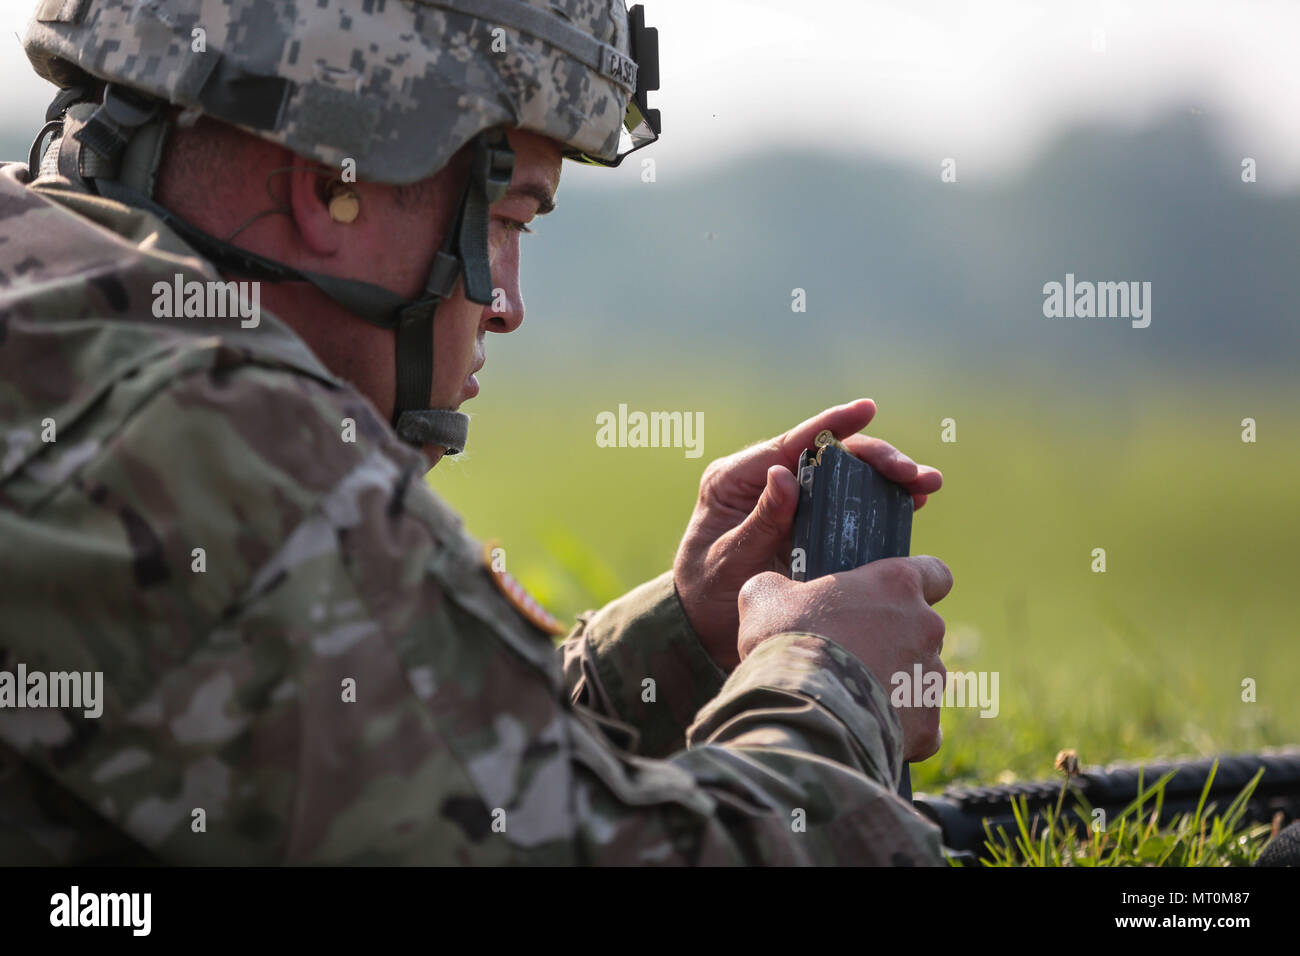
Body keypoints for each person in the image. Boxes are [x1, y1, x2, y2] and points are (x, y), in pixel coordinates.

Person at [0, 0, 952, 864]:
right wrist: (832, 681)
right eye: (504, 219)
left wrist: (685, 635)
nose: (506, 305)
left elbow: (377, 773)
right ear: (330, 184)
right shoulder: (218, 452)